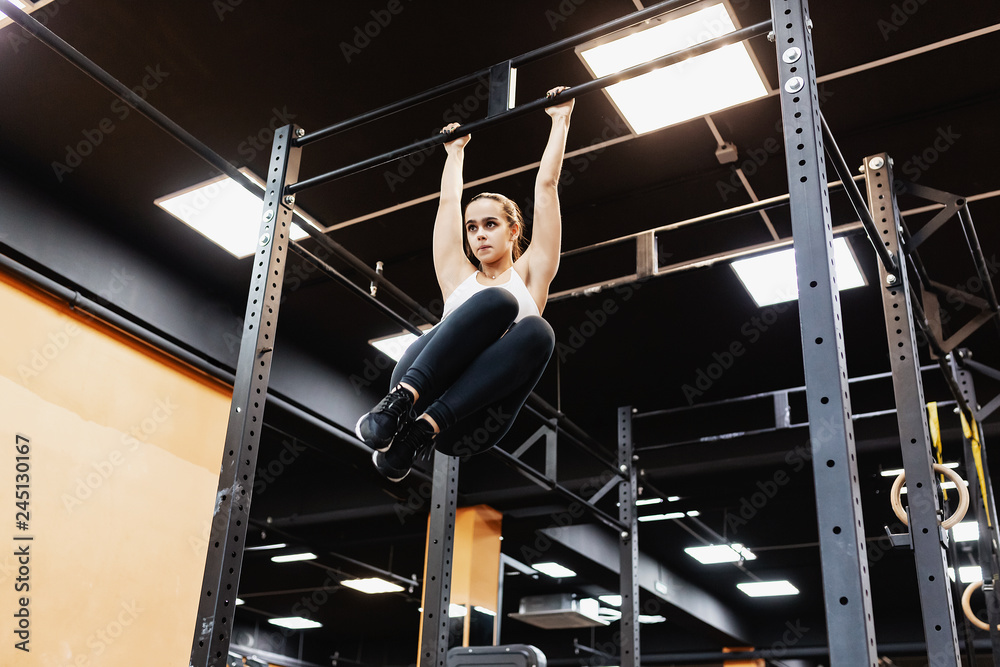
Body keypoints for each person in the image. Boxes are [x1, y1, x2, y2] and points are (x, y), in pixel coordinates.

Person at [356, 86, 575, 481]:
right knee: (497, 303)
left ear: (514, 232)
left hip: (468, 423)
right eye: (472, 227)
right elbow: (446, 204)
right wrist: (454, 152)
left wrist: (560, 120)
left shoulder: (533, 273)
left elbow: (546, 189)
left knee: (538, 329)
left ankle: (417, 437)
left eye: (490, 225)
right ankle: (396, 407)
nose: (478, 235)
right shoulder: (456, 273)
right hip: (420, 382)